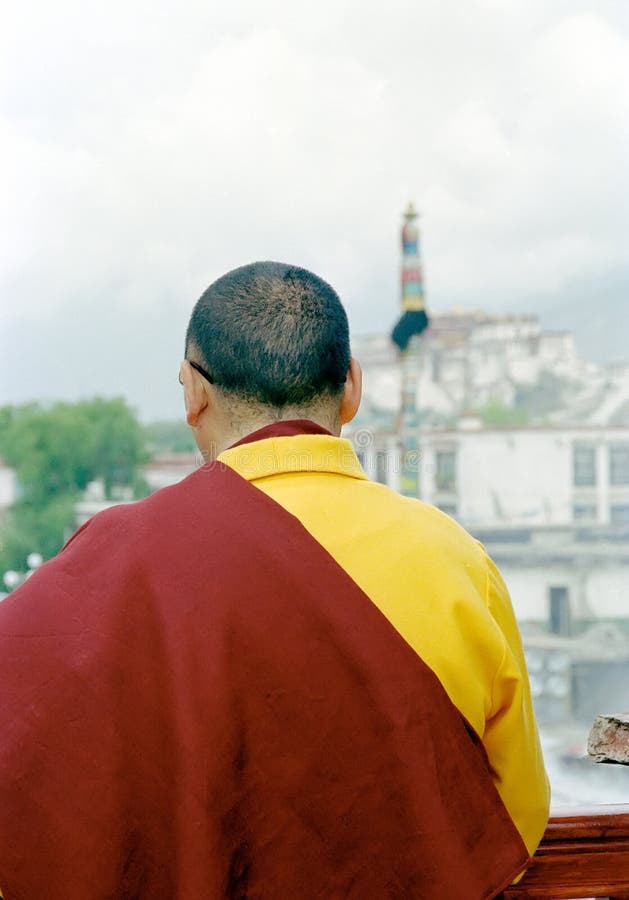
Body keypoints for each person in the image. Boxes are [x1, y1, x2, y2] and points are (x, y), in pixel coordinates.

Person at [0, 261, 549, 899]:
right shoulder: (455, 560)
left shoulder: (112, 562)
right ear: (352, 387)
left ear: (192, 395)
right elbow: (514, 819)